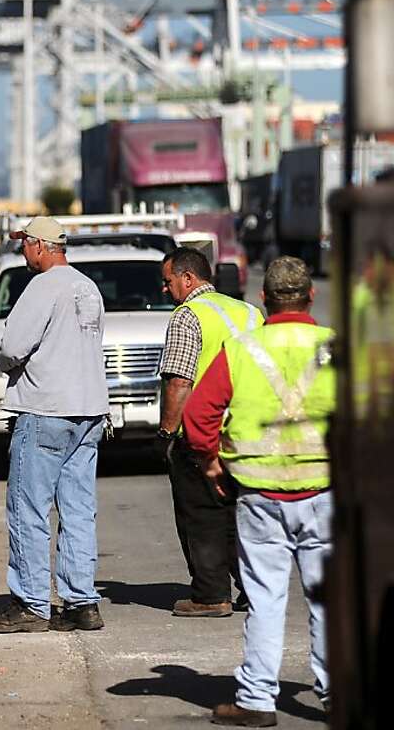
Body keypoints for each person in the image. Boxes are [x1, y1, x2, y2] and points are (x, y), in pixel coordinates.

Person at [182, 257, 334, 727]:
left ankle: (257, 700)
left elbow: (198, 415)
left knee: (265, 600)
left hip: (260, 496)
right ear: (310, 297)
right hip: (324, 493)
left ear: (264, 299)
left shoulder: (242, 349)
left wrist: (210, 461)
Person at [0, 216, 109, 634]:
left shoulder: (42, 287)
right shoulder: (86, 287)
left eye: (25, 245)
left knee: (28, 507)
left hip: (46, 409)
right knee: (77, 509)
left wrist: (2, 362)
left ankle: (31, 602)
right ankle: (81, 601)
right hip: (88, 409)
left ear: (39, 245)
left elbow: (15, 346)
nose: (23, 251)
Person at [159, 247, 263, 617]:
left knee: (201, 515)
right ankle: (254, 589)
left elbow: (179, 381)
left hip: (204, 433)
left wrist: (168, 432)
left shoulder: (188, 316)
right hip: (249, 430)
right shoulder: (249, 312)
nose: (165, 289)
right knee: (243, 515)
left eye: (168, 281)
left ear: (188, 279)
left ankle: (210, 594)